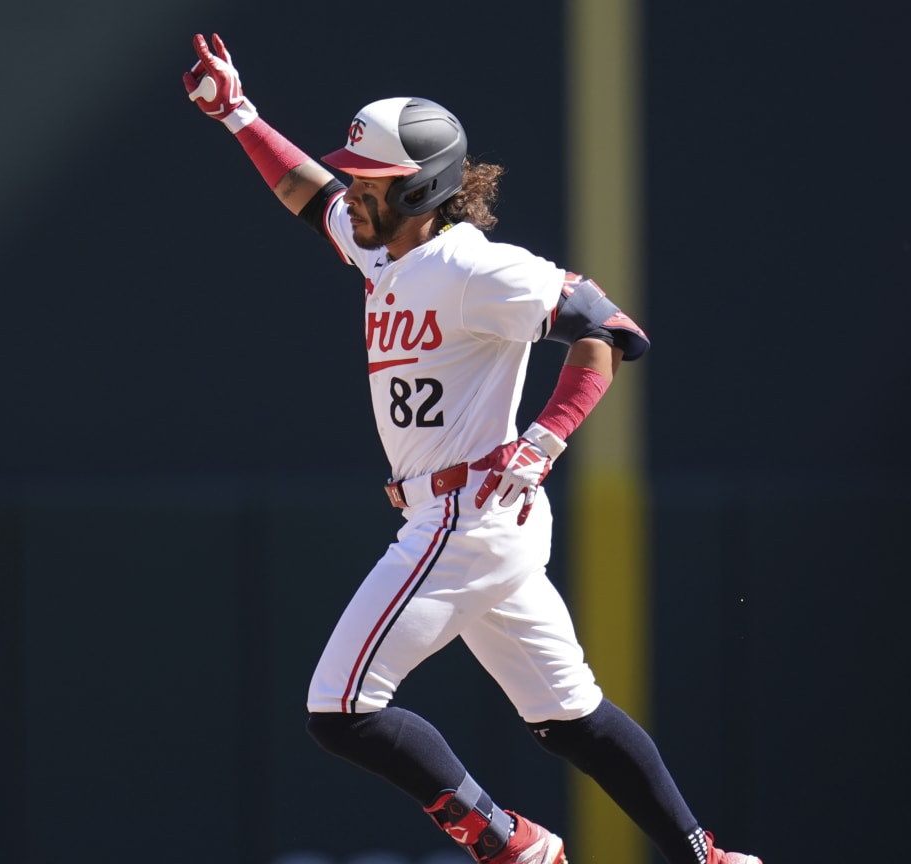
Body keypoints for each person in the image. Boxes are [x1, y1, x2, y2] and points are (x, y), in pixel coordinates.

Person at [182, 32, 764, 864]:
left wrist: (544, 440)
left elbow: (607, 331)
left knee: (340, 705)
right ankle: (704, 856)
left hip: (467, 515)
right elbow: (310, 198)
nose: (351, 187)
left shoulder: (476, 268)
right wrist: (239, 113)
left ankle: (509, 843)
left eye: (369, 178)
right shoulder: (388, 252)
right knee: (571, 717)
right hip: (472, 516)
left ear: (417, 187)